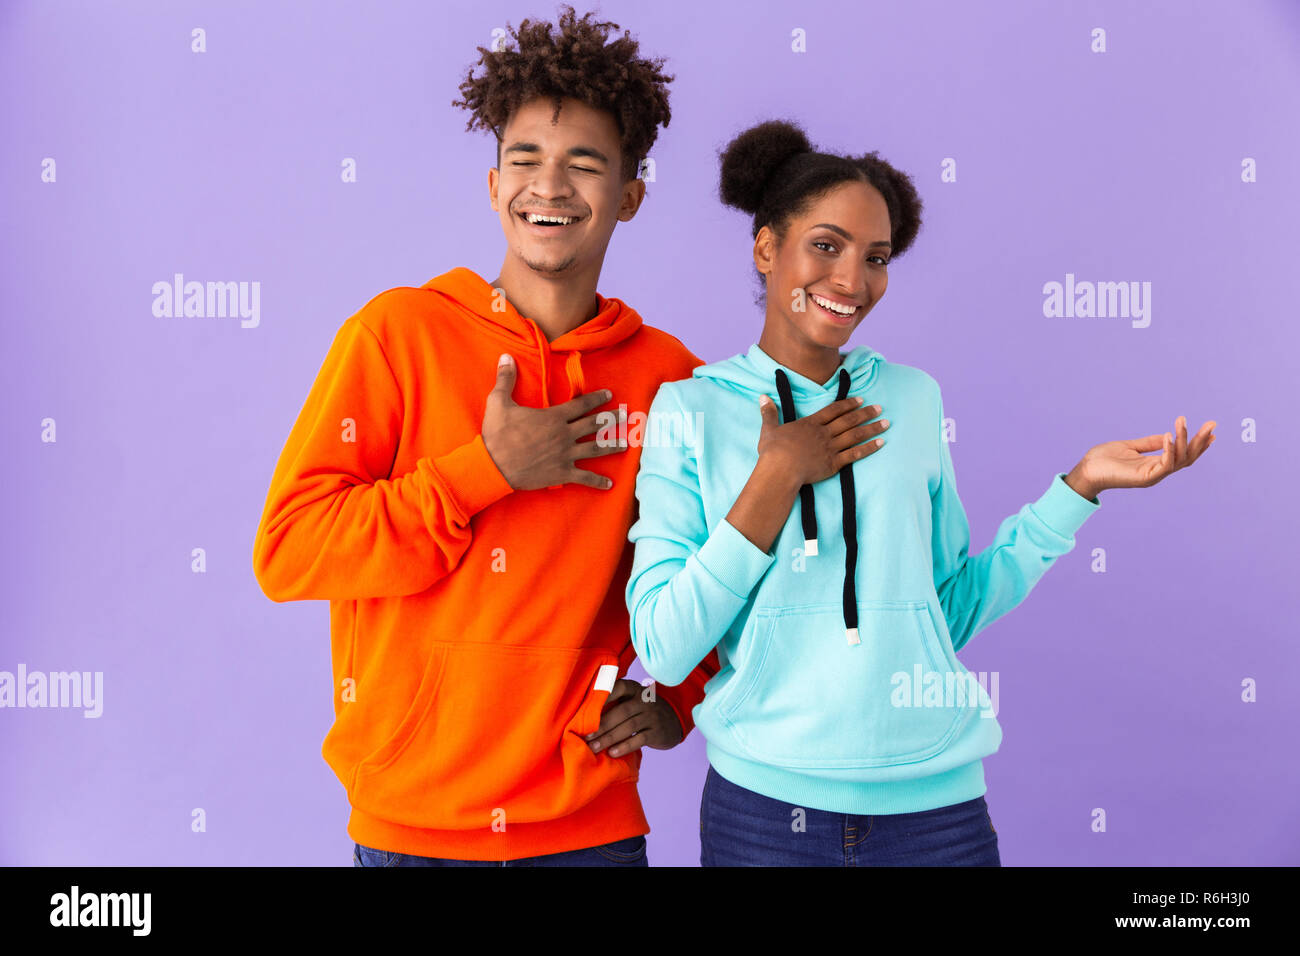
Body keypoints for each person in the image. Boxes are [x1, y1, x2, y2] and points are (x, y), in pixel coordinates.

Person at [625, 119, 1216, 866]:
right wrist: (773, 480)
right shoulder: (691, 411)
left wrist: (1078, 488)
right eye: (827, 245)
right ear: (767, 248)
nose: (852, 281)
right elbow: (666, 648)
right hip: (764, 816)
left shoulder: (912, 400)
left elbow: (947, 610)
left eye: (876, 258)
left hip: (937, 816)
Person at [253, 6, 718, 867]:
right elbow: (289, 552)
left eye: (585, 164)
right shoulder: (397, 336)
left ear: (630, 195)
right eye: (525, 161)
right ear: (494, 184)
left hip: (590, 828)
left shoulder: (670, 378)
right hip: (412, 832)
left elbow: (716, 562)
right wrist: (485, 472)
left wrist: (682, 701)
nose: (549, 187)